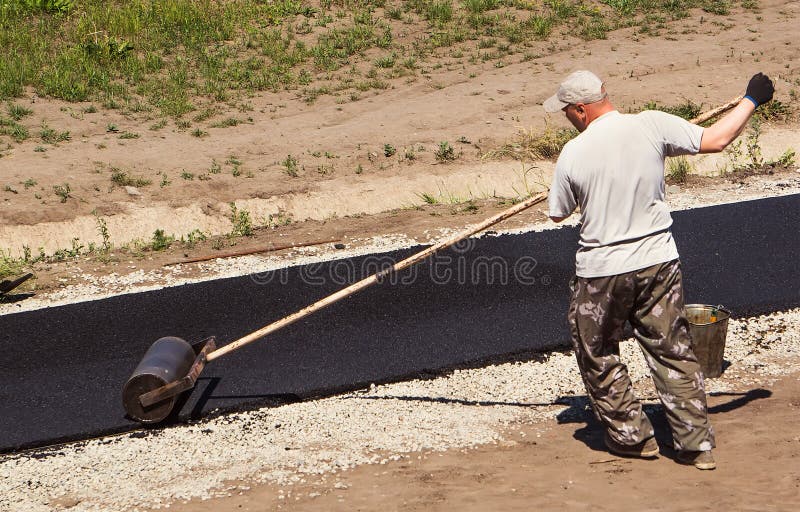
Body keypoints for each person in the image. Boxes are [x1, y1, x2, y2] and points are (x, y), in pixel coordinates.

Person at [544, 70, 774, 470]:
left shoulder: (574, 153)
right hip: (658, 263)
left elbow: (557, 214)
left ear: (580, 110)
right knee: (672, 349)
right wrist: (752, 98)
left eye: (566, 111)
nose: (566, 117)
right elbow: (716, 140)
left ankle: (634, 438)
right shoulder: (651, 123)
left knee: (595, 349)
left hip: (602, 271)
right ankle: (695, 445)